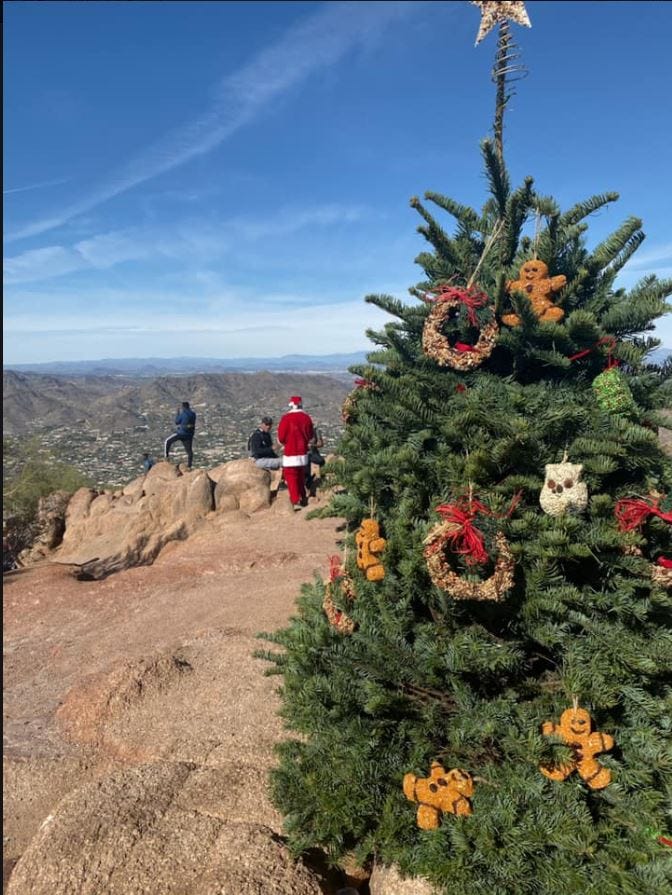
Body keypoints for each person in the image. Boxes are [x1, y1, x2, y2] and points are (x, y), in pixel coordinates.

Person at [277, 396, 315, 511]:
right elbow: (310, 435)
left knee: (291, 476)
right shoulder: (306, 418)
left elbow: (281, 437)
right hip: (302, 451)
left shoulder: (286, 418)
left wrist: (284, 442)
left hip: (290, 452)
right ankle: (303, 496)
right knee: (300, 475)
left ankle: (295, 500)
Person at [165, 401, 196, 468]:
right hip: (189, 434)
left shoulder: (183, 414)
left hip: (181, 433)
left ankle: (166, 457)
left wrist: (178, 413)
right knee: (189, 451)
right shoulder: (193, 414)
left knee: (167, 441)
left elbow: (177, 422)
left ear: (183, 407)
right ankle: (189, 465)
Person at [305, 427, 326, 496]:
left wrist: (312, 445)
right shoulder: (300, 430)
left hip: (313, 453)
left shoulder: (316, 430)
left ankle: (310, 482)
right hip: (304, 453)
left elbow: (321, 444)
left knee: (321, 461)